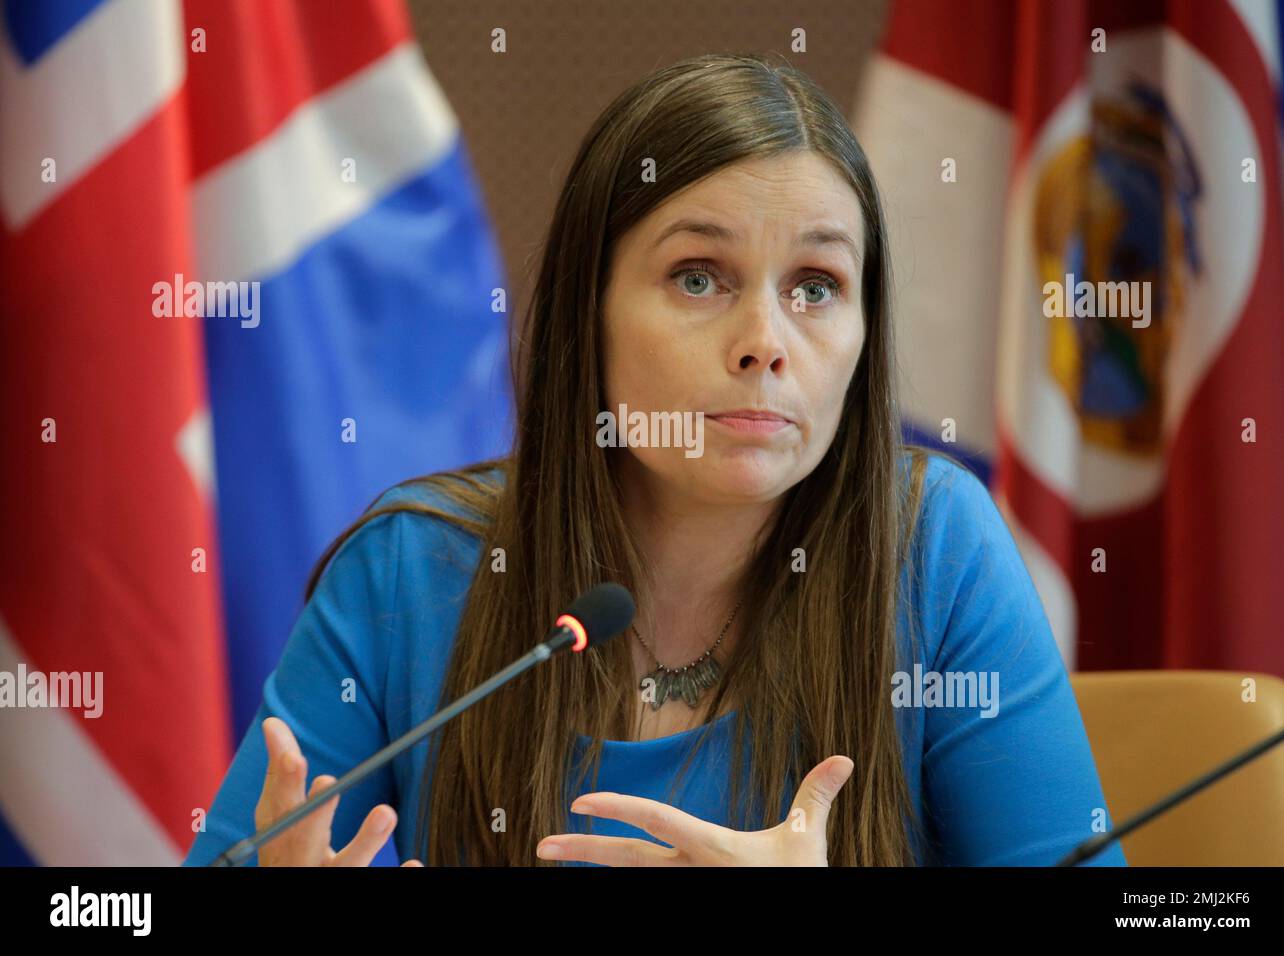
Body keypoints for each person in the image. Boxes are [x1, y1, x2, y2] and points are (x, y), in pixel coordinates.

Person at [182, 52, 1126, 867]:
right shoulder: (413, 571)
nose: (765, 340)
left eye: (816, 285)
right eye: (698, 277)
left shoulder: (935, 553)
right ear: (585, 319)